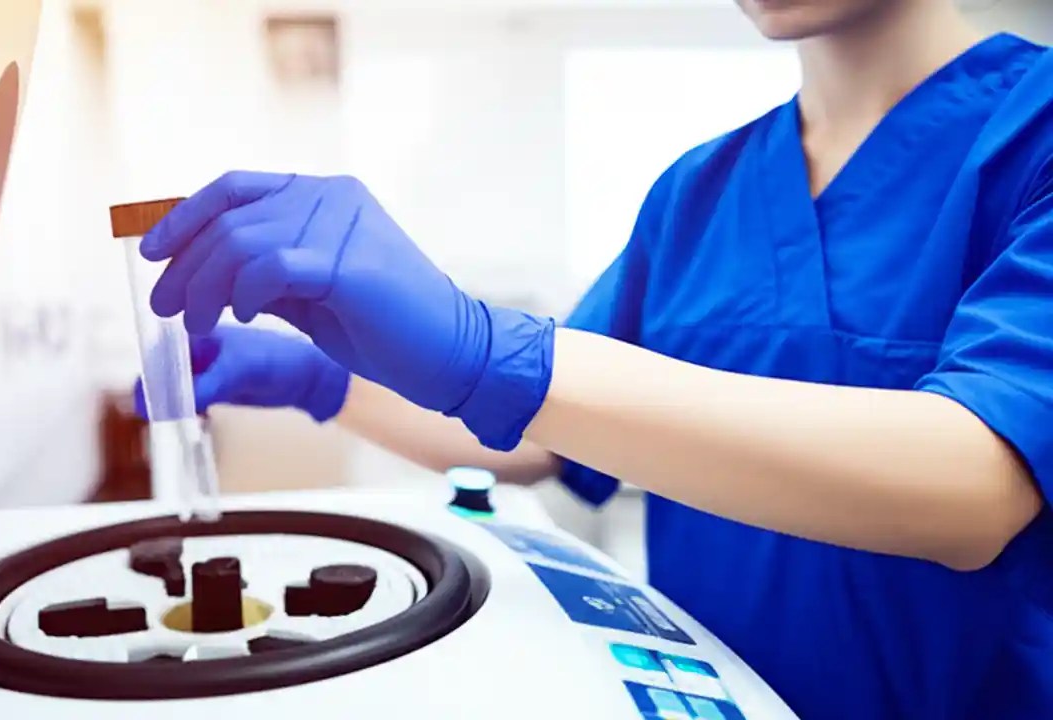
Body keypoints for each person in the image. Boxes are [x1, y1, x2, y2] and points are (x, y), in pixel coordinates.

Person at [137, 1, 1053, 717]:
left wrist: (485, 345)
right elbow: (542, 441)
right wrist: (318, 379)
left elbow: (976, 486)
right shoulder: (697, 193)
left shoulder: (1031, 134)